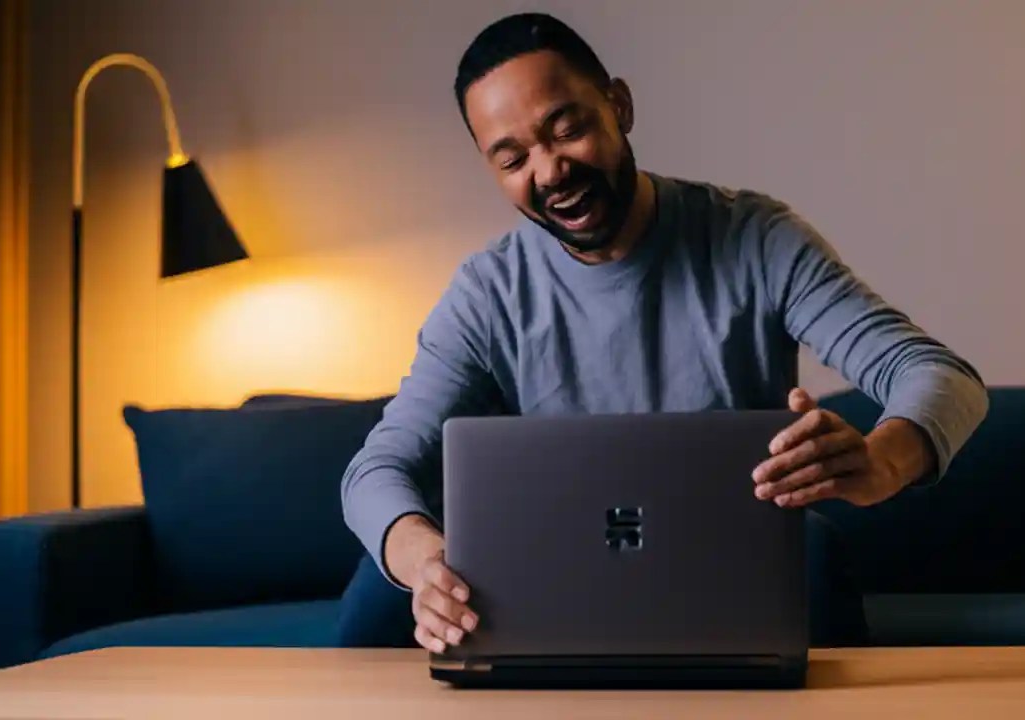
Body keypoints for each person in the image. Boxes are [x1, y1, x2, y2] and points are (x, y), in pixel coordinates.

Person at [338, 12, 988, 653]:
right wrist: (424, 561)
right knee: (382, 581)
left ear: (618, 106)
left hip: (728, 561)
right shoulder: (488, 293)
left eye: (568, 130)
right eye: (513, 160)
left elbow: (942, 377)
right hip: (548, 573)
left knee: (813, 546)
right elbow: (376, 470)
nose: (550, 171)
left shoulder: (755, 239)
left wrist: (883, 461)